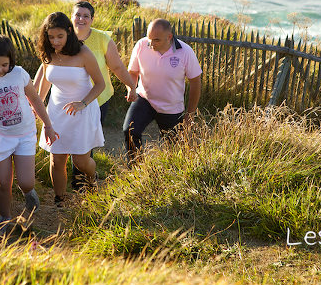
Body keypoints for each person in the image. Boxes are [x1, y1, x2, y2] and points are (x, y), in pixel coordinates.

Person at [0, 34, 57, 234]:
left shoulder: (19, 74)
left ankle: (30, 195)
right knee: (3, 183)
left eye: (4, 65)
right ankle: (4, 217)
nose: (0, 70)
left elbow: (35, 99)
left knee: (26, 181)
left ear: (12, 62)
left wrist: (48, 125)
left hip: (24, 134)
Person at [35, 12, 105, 206]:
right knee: (57, 159)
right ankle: (60, 200)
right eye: (50, 37)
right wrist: (38, 105)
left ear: (68, 32)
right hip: (57, 111)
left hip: (82, 109)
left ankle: (93, 178)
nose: (55, 41)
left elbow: (100, 84)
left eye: (59, 36)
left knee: (81, 162)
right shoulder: (48, 53)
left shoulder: (83, 53)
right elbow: (44, 83)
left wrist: (82, 103)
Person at [123, 18, 202, 164]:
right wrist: (131, 89)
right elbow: (132, 72)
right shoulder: (141, 45)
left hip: (171, 107)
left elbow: (196, 82)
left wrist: (190, 115)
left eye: (156, 40)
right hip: (144, 99)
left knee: (176, 149)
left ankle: (172, 177)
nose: (151, 44)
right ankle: (137, 170)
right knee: (130, 131)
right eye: (149, 38)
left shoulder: (185, 52)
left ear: (169, 37)